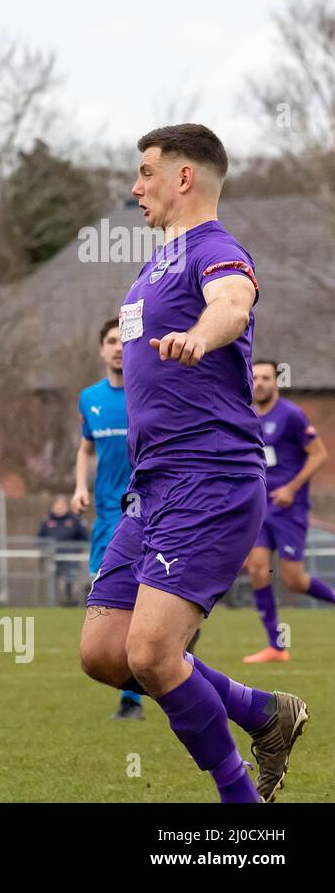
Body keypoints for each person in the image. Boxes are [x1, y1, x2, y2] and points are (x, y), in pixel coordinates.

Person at [78, 123, 307, 803]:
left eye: (146, 171)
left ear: (184, 178)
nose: (134, 185)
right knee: (104, 653)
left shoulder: (217, 249)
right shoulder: (152, 264)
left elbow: (232, 305)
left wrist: (201, 336)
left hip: (211, 480)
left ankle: (241, 805)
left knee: (150, 653)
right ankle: (262, 712)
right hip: (153, 491)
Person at [72, 317, 143, 719]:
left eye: (123, 340)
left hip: (147, 511)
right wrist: (80, 487)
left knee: (135, 605)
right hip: (105, 518)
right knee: (105, 602)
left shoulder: (146, 393)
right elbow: (85, 448)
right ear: (101, 349)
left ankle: (132, 700)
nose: (118, 347)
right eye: (111, 341)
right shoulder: (90, 399)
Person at [242, 359, 330, 662]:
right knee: (257, 569)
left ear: (277, 381)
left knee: (294, 579)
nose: (260, 383)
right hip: (260, 508)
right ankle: (276, 646)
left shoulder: (291, 415)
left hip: (289, 509)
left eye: (266, 377)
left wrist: (291, 488)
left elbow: (319, 455)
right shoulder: (247, 416)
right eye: (254, 377)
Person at [38, 494, 88, 605]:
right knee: (54, 583)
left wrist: (79, 551)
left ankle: (72, 602)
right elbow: (40, 540)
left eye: (62, 505)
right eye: (57, 505)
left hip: (71, 559)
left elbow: (85, 538)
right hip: (53, 559)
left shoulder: (75, 520)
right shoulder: (46, 521)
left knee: (71, 581)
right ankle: (55, 603)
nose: (59, 508)